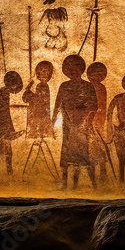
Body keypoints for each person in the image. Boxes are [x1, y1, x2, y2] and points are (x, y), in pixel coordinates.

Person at [52, 54, 97, 190]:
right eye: (68, 67)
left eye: (75, 66)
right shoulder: (64, 86)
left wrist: (86, 119)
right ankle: (65, 184)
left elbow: (94, 106)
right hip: (68, 126)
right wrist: (52, 123)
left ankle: (81, 186)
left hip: (82, 126)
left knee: (82, 156)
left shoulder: (88, 86)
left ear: (81, 68)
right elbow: (57, 105)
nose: (72, 70)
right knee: (66, 157)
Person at [0, 70, 24, 180]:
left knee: (3, 152)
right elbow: (1, 112)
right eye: (15, 85)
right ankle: (4, 174)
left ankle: (1, 174)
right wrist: (8, 129)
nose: (15, 88)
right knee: (2, 152)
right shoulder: (3, 92)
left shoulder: (4, 92)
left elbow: (3, 112)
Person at [86, 61, 109, 184]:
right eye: (94, 74)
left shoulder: (102, 88)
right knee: (90, 152)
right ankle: (93, 178)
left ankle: (103, 174)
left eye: (99, 75)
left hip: (98, 123)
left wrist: (100, 121)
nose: (97, 77)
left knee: (100, 149)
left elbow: (103, 106)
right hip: (88, 123)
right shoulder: (87, 87)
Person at [22, 60, 54, 138]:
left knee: (40, 132)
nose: (43, 74)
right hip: (37, 112)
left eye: (46, 72)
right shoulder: (39, 85)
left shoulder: (44, 86)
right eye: (41, 72)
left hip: (41, 113)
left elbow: (40, 99)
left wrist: (30, 94)